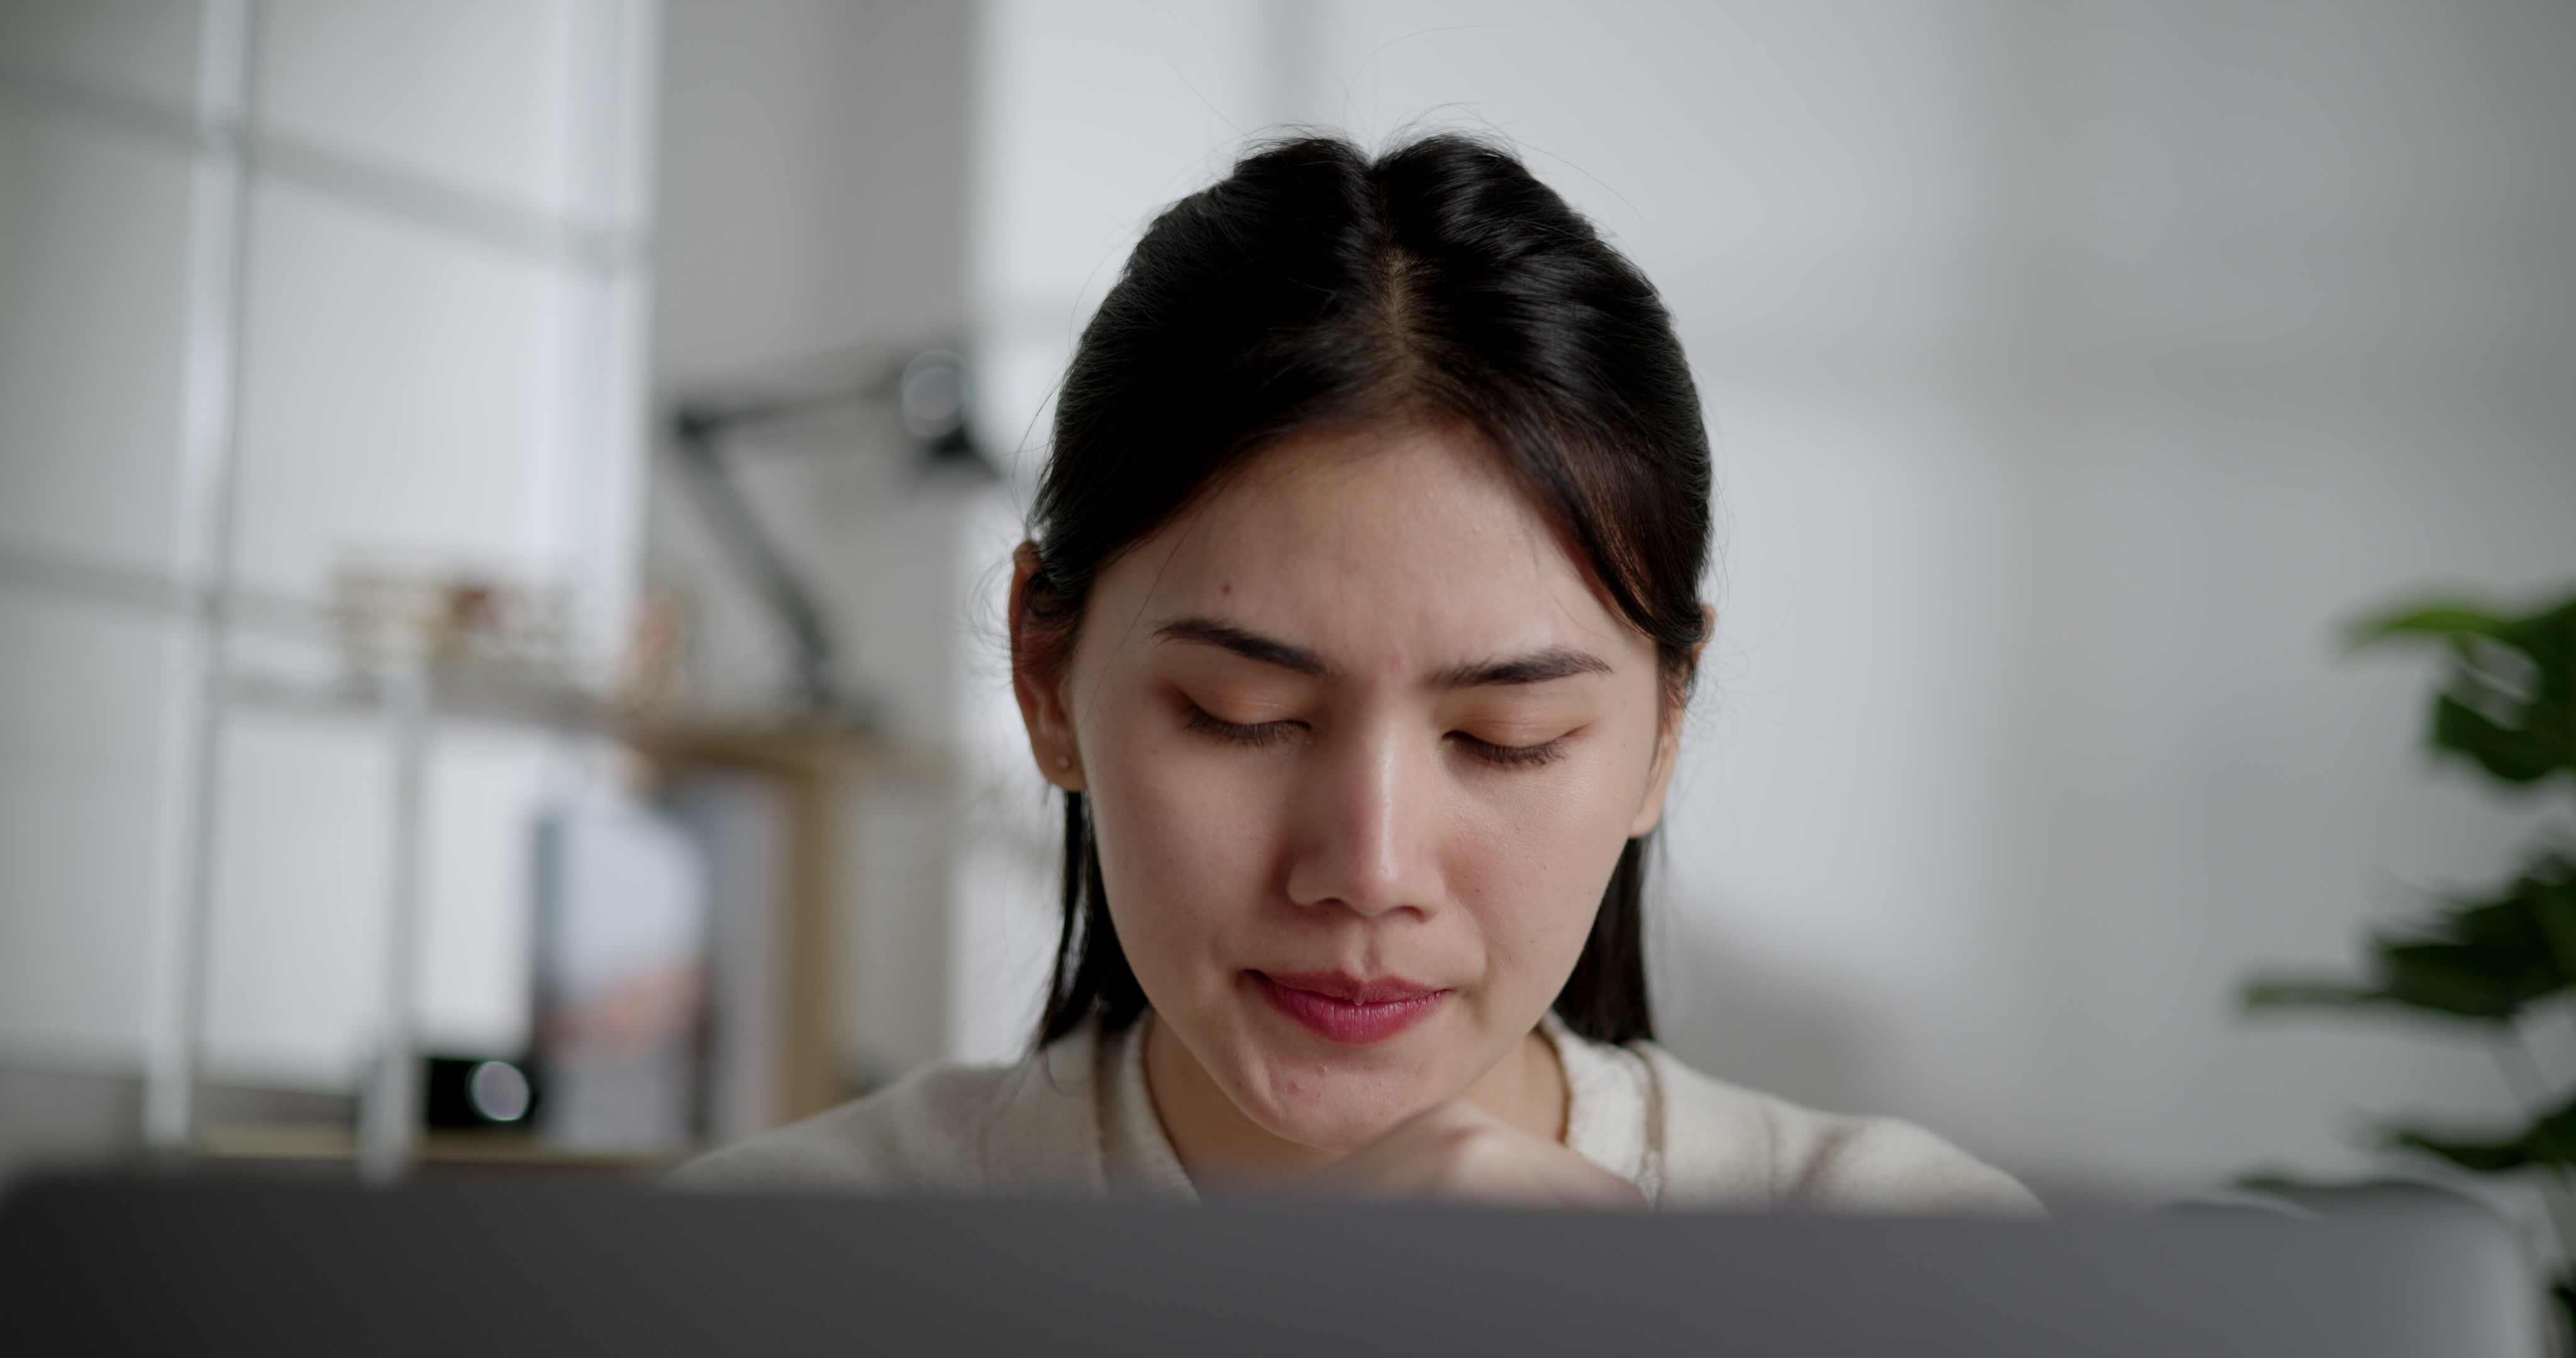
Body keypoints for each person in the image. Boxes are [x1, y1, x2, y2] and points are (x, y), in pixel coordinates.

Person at [674, 133, 2036, 1213]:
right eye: (1241, 716)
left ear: (1662, 732)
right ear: (1046, 672)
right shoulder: (747, 1272)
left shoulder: (1907, 1260)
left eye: (1506, 736)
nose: (1369, 867)